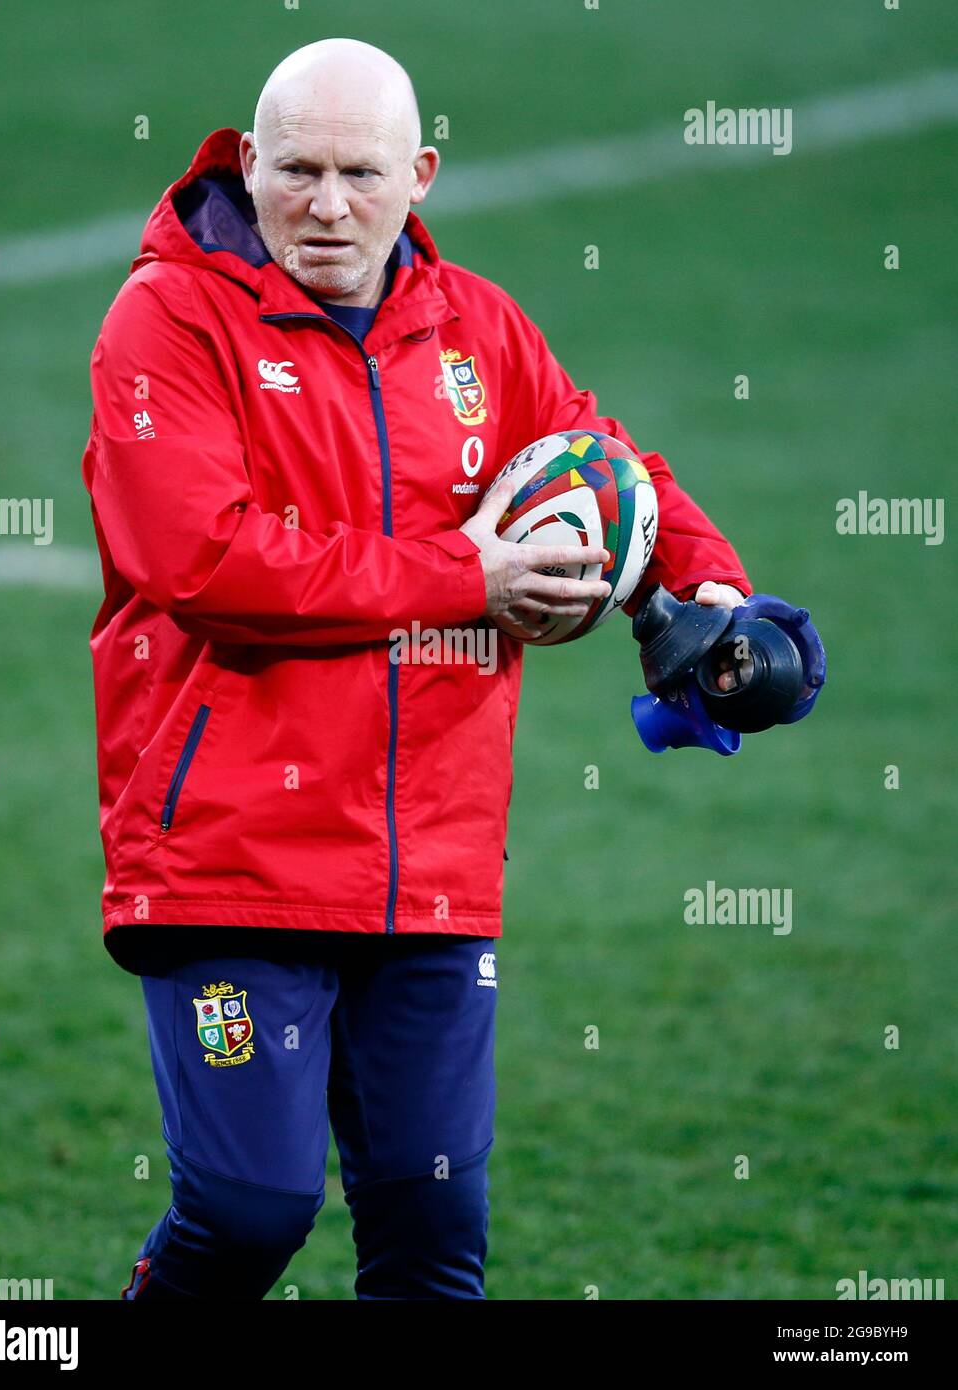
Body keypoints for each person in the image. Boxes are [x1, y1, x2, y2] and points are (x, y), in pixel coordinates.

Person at [82, 37, 750, 1300]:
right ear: (247, 157)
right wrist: (465, 578)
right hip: (230, 866)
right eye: (296, 171)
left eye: (358, 174)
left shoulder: (475, 329)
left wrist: (712, 598)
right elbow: (203, 560)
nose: (325, 206)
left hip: (426, 871)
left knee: (433, 1247)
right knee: (243, 1211)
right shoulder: (165, 320)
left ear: (420, 175)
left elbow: (606, 468)